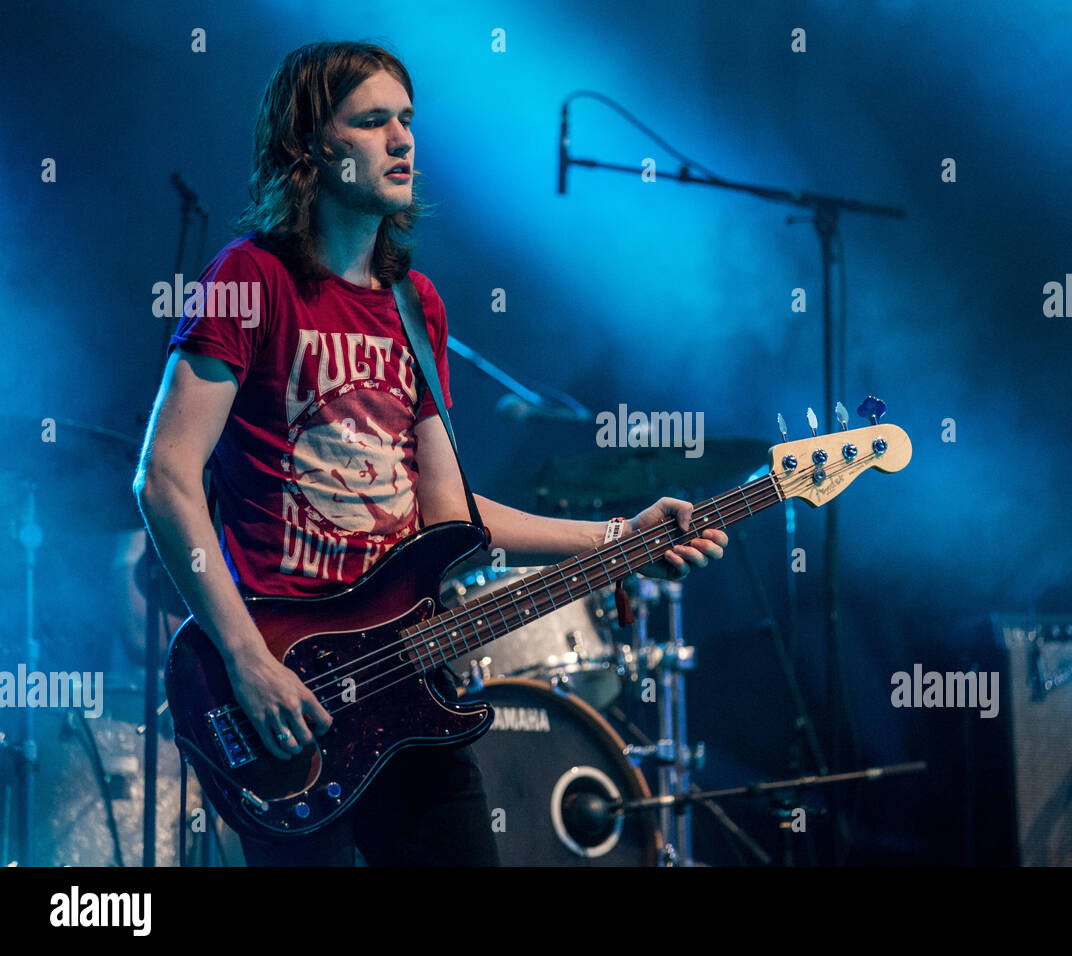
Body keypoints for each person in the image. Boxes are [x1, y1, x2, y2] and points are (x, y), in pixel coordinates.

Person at [133, 40, 728, 866]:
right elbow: (165, 478)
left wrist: (620, 540)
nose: (402, 139)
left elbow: (451, 517)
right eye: (372, 121)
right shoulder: (251, 278)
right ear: (310, 146)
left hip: (411, 690)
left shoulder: (417, 306)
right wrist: (244, 660)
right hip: (287, 692)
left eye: (407, 120)